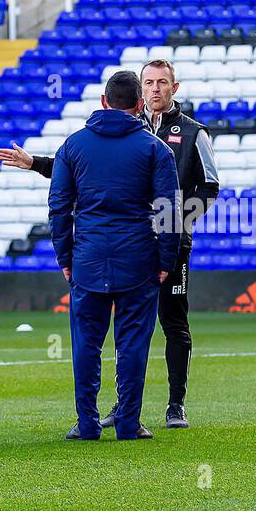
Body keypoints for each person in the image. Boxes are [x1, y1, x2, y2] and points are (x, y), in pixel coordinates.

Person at [0, 58, 219, 429]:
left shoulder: (194, 133)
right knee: (131, 329)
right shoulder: (135, 131)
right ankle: (125, 408)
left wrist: (172, 224)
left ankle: (175, 403)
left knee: (172, 322)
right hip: (136, 247)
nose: (155, 89)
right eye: (148, 82)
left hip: (169, 242)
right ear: (140, 93)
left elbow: (209, 188)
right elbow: (85, 167)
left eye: (162, 82)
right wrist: (35, 162)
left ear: (174, 88)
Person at [49, 70, 181, 441]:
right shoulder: (156, 149)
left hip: (88, 259)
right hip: (138, 259)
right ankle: (127, 423)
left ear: (104, 102)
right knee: (133, 345)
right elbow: (169, 210)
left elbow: (59, 208)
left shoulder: (72, 147)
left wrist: (65, 257)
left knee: (86, 344)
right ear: (140, 105)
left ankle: (87, 423)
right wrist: (165, 262)